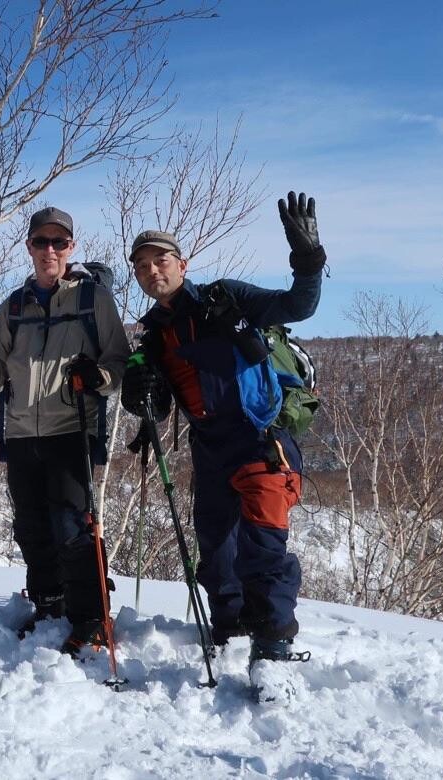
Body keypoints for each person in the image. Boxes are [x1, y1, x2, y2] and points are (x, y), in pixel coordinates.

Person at [121, 191, 326, 666]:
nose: (153, 271)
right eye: (143, 265)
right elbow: (159, 402)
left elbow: (298, 306)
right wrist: (141, 393)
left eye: (161, 260)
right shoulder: (154, 334)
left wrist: (309, 258)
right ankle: (230, 631)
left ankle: (273, 649)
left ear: (182, 263)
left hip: (260, 438)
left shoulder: (226, 297)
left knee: (263, 546)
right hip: (209, 448)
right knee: (216, 550)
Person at [0, 206, 131, 655]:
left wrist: (99, 378)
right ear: (30, 247)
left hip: (72, 428)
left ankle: (92, 617)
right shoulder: (13, 307)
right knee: (32, 527)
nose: (49, 249)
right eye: (41, 241)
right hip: (19, 434)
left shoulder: (94, 300)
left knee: (73, 526)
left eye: (59, 242)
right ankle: (50, 605)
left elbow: (119, 361)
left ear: (71, 247)